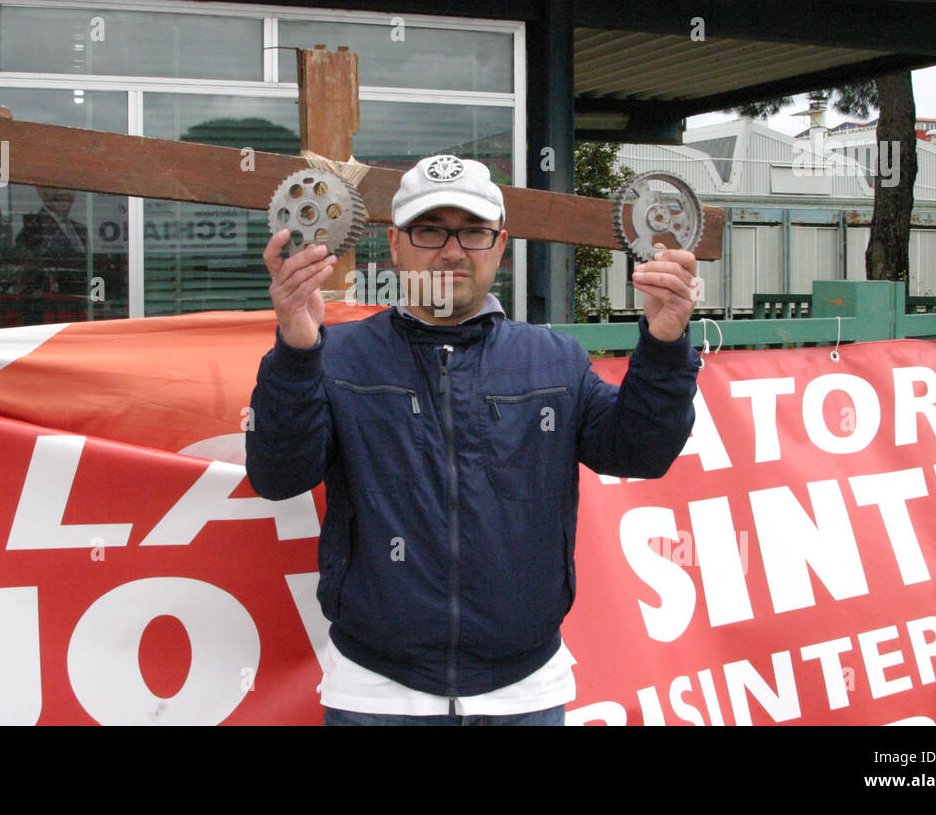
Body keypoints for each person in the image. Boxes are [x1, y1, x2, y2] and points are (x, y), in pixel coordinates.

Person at [246, 154, 700, 725]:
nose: (453, 250)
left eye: (474, 231)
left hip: (526, 691)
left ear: (500, 245)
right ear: (395, 244)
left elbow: (642, 452)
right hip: (375, 692)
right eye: (430, 229)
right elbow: (277, 476)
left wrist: (663, 344)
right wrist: (294, 351)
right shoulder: (335, 356)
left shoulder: (553, 360)